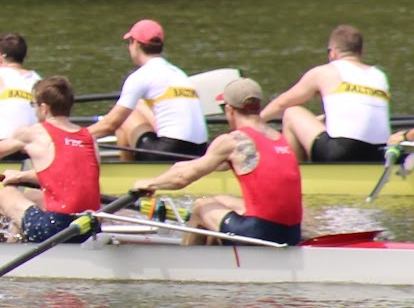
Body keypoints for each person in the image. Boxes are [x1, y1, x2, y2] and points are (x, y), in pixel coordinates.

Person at [129, 77, 304, 246]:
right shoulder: (279, 138)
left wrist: (150, 183)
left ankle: (187, 267)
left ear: (229, 109)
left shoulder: (233, 141)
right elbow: (196, 166)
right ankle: (219, 252)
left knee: (200, 206)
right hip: (292, 233)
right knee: (221, 200)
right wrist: (174, 170)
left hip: (261, 233)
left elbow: (182, 178)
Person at [0, 76, 104, 243]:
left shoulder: (35, 133)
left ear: (44, 108)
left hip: (55, 228)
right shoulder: (89, 138)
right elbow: (69, 174)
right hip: (90, 227)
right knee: (31, 196)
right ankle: (14, 244)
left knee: (3, 196)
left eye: (34, 105)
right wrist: (21, 176)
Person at [261, 25, 390, 162]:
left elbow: (282, 103)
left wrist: (254, 122)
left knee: (292, 112)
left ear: (333, 52)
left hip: (341, 152)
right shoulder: (380, 76)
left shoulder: (324, 72)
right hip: (378, 154)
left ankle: (295, 176)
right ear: (362, 52)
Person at [87, 18, 209, 161]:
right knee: (139, 104)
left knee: (126, 117)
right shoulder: (179, 74)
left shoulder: (141, 76)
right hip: (200, 151)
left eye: (130, 42)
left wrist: (74, 136)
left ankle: (127, 173)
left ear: (136, 44)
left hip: (168, 151)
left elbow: (110, 125)